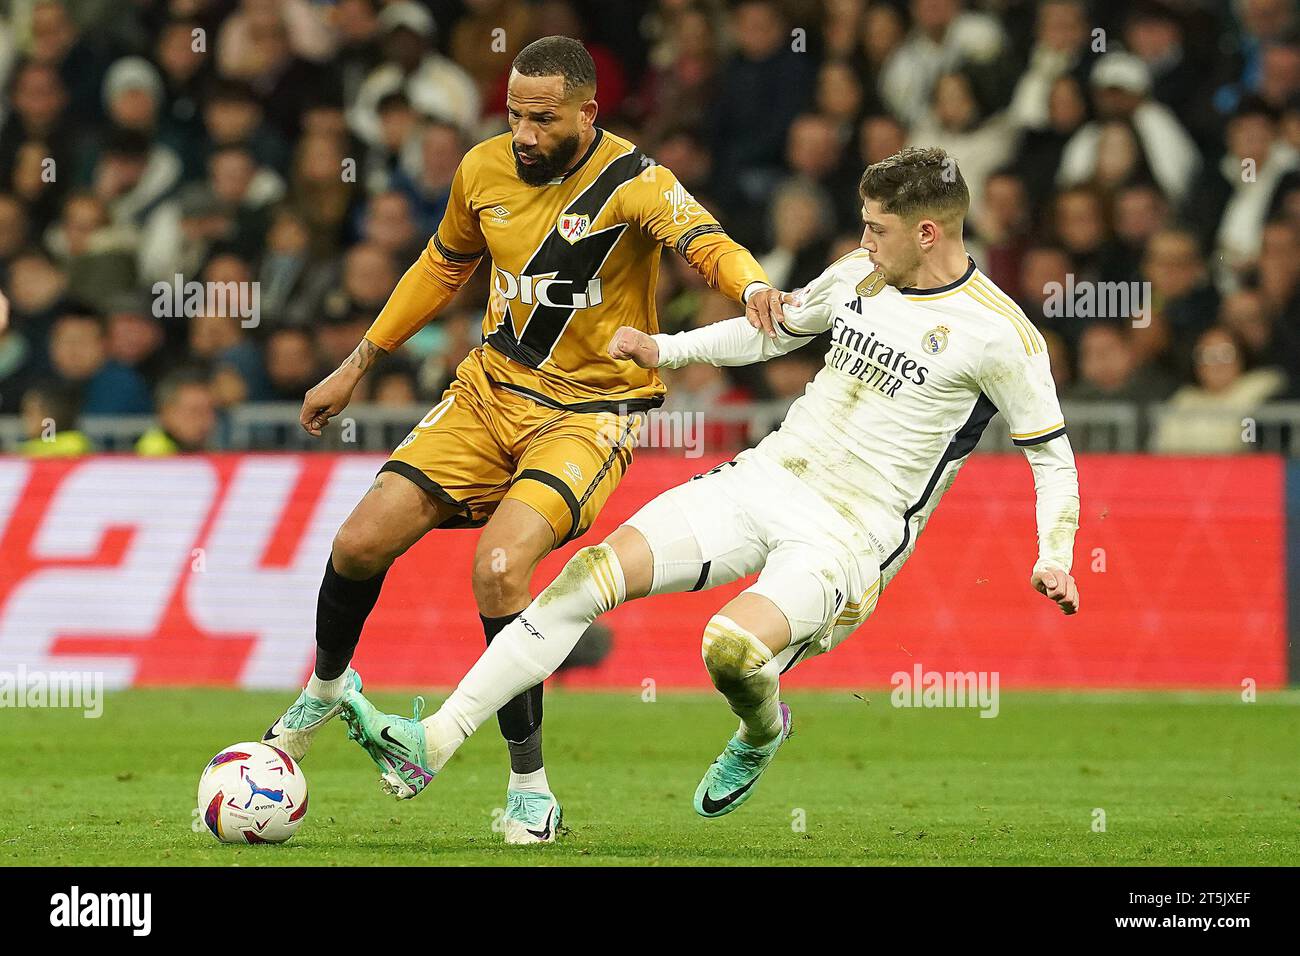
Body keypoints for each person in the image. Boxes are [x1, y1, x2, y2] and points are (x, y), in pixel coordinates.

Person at [337, 146, 1081, 822]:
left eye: (877, 229)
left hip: (852, 533)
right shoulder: (859, 275)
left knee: (729, 650)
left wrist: (1056, 554)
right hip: (765, 476)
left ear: (928, 234)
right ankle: (430, 740)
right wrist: (663, 348)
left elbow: (1051, 456)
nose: (862, 242)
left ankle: (760, 731)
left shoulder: (1000, 336)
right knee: (586, 576)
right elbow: (774, 329)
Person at [261, 36, 786, 845]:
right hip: (487, 392)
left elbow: (703, 242)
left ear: (588, 111)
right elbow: (441, 267)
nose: (526, 134)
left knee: (501, 568)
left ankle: (530, 791)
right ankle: (327, 688)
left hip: (587, 414)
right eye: (514, 115)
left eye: (543, 119)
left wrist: (749, 281)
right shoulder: (482, 169)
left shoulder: (634, 183)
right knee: (359, 542)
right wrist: (358, 362)